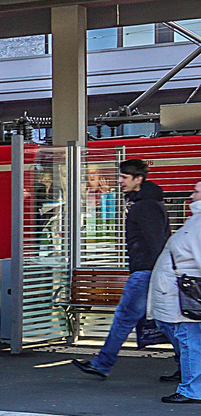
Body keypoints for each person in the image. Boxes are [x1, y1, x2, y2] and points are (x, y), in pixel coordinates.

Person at [73, 159, 169, 380]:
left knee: (125, 317)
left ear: (138, 179)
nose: (120, 181)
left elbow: (156, 243)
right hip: (147, 271)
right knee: (166, 323)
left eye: (124, 177)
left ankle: (102, 363)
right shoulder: (146, 203)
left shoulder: (146, 206)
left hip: (145, 272)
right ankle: (185, 365)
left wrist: (156, 274)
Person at [150, 180, 201, 403]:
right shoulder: (195, 220)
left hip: (187, 294)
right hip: (180, 293)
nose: (191, 195)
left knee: (189, 339)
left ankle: (192, 389)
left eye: (197, 191)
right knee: (186, 337)